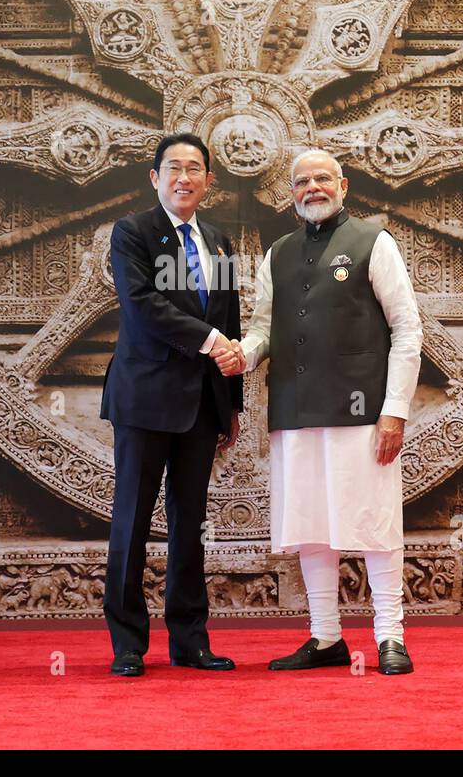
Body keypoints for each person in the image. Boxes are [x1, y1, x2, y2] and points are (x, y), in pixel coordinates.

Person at [215, 149, 423, 675]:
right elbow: (264, 328)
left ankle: (390, 637)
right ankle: (325, 637)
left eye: (322, 179)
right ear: (291, 194)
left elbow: (407, 329)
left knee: (375, 522)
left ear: (344, 186)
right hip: (295, 409)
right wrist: (245, 353)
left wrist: (394, 411)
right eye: (302, 182)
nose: (313, 188)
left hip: (363, 411)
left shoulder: (374, 243)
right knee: (311, 525)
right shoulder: (277, 254)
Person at [101, 132, 243, 677]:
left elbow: (229, 318)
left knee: (191, 524)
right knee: (132, 520)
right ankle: (128, 645)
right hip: (145, 397)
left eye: (195, 168)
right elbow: (141, 306)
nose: (184, 177)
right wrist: (209, 342)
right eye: (173, 167)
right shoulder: (132, 232)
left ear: (209, 180)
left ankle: (190, 642)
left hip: (202, 405)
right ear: (154, 178)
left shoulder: (220, 241)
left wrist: (230, 402)